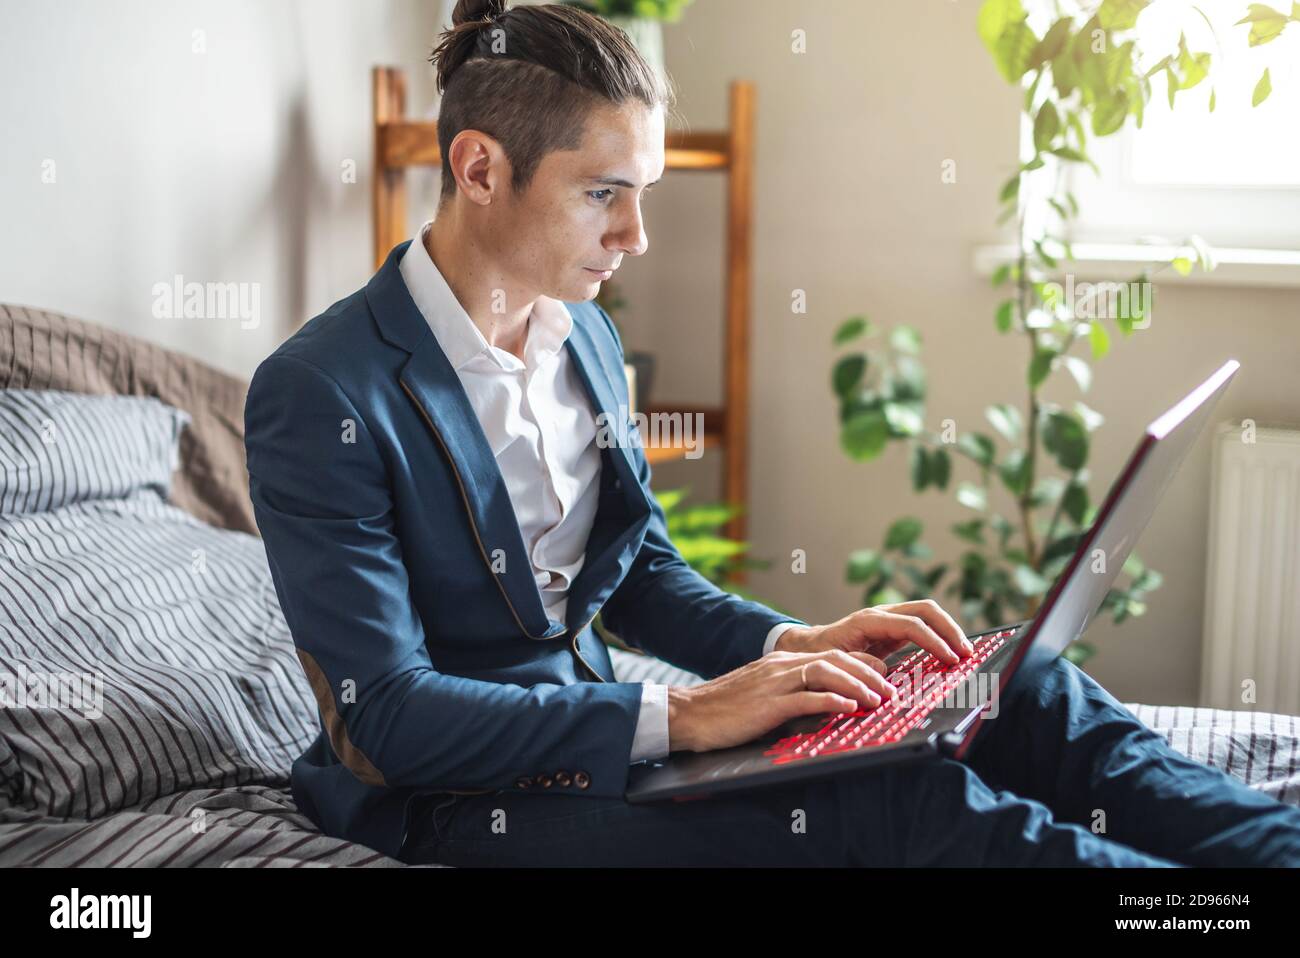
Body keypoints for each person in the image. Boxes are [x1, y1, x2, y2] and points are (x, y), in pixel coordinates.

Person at [243, 0, 1300, 867]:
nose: (636, 236)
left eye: (642, 193)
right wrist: (686, 718)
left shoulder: (586, 339)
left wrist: (789, 646)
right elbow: (386, 717)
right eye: (603, 195)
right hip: (464, 798)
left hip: (620, 733)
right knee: (901, 801)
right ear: (480, 170)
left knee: (1020, 689)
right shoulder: (321, 392)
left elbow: (642, 571)